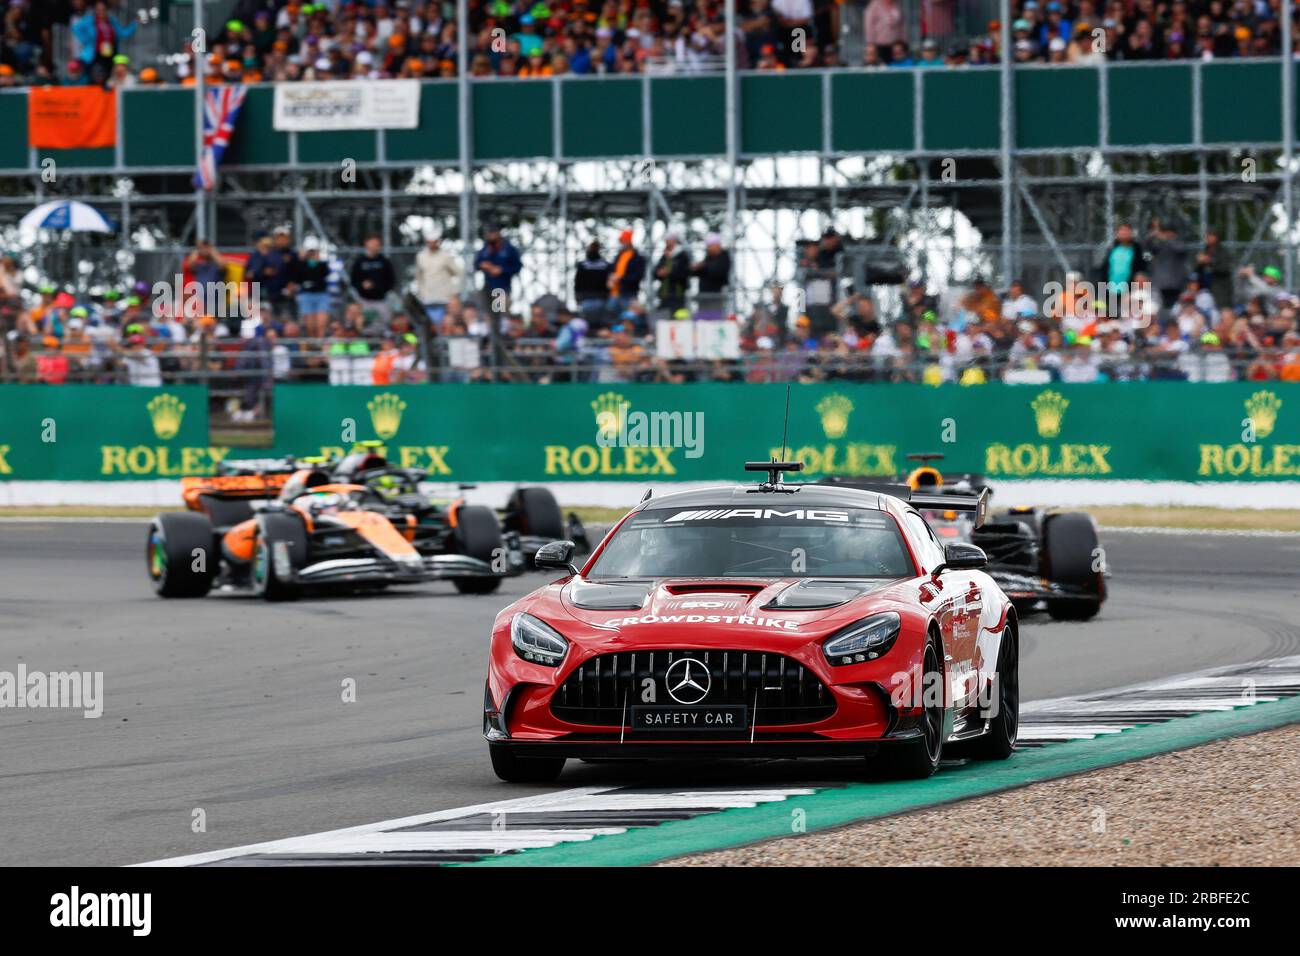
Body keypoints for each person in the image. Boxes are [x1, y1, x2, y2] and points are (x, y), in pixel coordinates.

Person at [413, 234, 463, 328]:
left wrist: (455, 292)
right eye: (430, 242)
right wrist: (420, 293)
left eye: (434, 242)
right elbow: (419, 277)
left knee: (446, 326)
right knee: (429, 327)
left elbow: (459, 273)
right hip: (427, 299)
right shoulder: (420, 256)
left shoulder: (446, 256)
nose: (432, 244)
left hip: (445, 299)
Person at [473, 223, 522, 314]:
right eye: (488, 233)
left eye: (492, 232)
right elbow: (476, 264)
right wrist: (483, 265)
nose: (490, 235)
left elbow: (517, 267)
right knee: (486, 314)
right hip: (487, 287)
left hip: (501, 288)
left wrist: (502, 270)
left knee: (500, 315)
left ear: (498, 233)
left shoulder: (509, 249)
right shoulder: (485, 248)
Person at [350, 233, 396, 327]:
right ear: (366, 244)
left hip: (381, 301)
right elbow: (353, 281)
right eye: (373, 243)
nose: (376, 246)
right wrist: (362, 285)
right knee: (367, 325)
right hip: (365, 301)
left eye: (378, 244)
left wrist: (378, 287)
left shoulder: (384, 262)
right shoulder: (359, 262)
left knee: (384, 326)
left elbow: (391, 281)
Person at [293, 239, 332, 339]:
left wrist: (318, 261)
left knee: (321, 323)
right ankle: (312, 345)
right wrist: (301, 260)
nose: (311, 254)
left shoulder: (322, 264)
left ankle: (320, 343)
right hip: (306, 295)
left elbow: (325, 274)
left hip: (321, 294)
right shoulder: (301, 264)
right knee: (310, 325)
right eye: (310, 251)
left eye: (313, 251)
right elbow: (297, 277)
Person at [605, 229, 646, 321]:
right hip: (614, 293)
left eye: (624, 240)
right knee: (612, 318)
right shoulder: (619, 256)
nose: (622, 243)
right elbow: (612, 270)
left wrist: (620, 279)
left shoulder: (638, 258)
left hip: (628, 293)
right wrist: (610, 280)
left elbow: (637, 276)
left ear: (629, 241)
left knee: (629, 318)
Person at [692, 233, 732, 319]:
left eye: (710, 246)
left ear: (717, 245)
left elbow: (718, 272)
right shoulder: (708, 258)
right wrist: (696, 268)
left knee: (714, 323)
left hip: (716, 297)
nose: (708, 248)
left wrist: (704, 266)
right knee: (703, 323)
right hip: (704, 297)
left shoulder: (724, 257)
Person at [573, 241, 610, 327]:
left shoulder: (583, 265)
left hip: (592, 299)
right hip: (598, 299)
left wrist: (578, 298)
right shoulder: (605, 265)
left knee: (588, 324)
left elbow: (578, 283)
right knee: (599, 324)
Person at [653, 233, 692, 315]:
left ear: (675, 241)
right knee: (663, 320)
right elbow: (655, 272)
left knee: (678, 320)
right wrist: (659, 273)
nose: (667, 242)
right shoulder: (664, 256)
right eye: (666, 240)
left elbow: (685, 273)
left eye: (669, 240)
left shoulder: (682, 255)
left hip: (678, 295)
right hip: (664, 294)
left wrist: (669, 272)